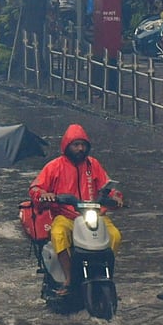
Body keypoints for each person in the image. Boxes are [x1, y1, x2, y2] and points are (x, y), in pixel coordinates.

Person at [28, 124, 123, 293]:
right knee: (58, 234)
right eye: (76, 144)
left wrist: (115, 197)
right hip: (66, 215)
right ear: (67, 146)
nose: (80, 148)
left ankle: (106, 276)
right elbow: (35, 188)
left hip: (94, 215)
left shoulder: (93, 165)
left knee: (115, 235)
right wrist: (45, 194)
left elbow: (107, 187)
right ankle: (69, 277)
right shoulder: (54, 166)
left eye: (83, 145)